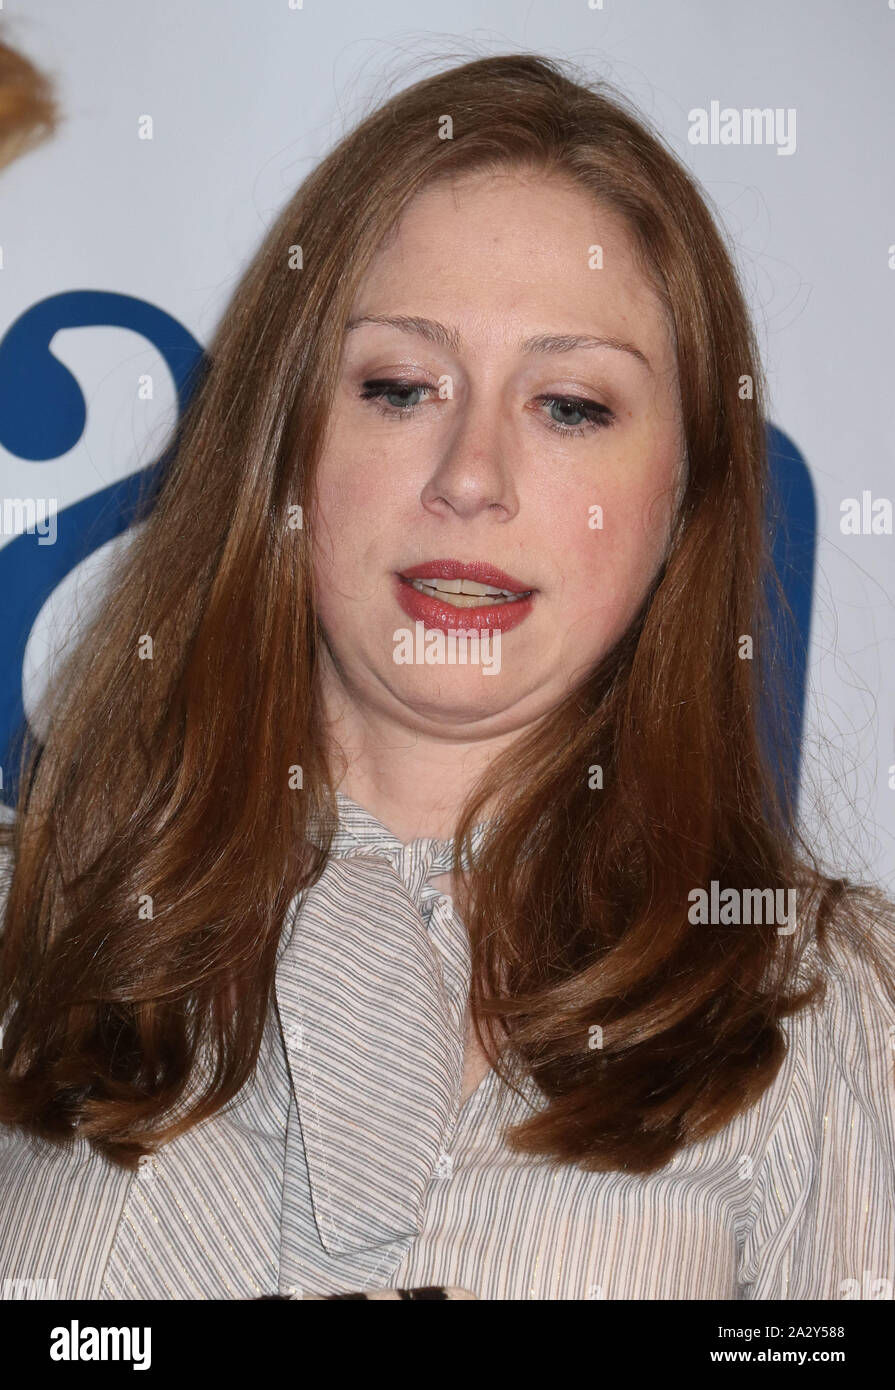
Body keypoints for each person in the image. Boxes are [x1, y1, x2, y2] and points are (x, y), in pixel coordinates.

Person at [1, 52, 893, 1302]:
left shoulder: (832, 1008)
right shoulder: (33, 924)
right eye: (400, 385)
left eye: (572, 405)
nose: (470, 474)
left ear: (684, 497)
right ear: (280, 450)